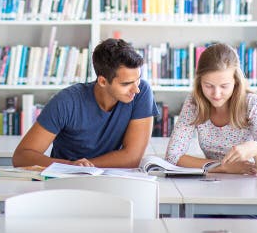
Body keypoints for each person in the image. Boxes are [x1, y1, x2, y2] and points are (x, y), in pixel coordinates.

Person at [12, 38, 157, 168]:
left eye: (137, 79)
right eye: (126, 84)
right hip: (65, 182)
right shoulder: (66, 102)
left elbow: (132, 159)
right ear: (102, 81)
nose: (136, 89)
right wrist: (71, 166)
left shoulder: (142, 92)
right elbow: (21, 156)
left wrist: (85, 166)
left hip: (112, 180)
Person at [165, 42, 257, 175]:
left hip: (248, 181)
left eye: (224, 86)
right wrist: (222, 167)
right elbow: (172, 156)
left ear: (236, 82)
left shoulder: (254, 105)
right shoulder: (194, 103)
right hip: (212, 180)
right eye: (209, 85)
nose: (216, 94)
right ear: (200, 82)